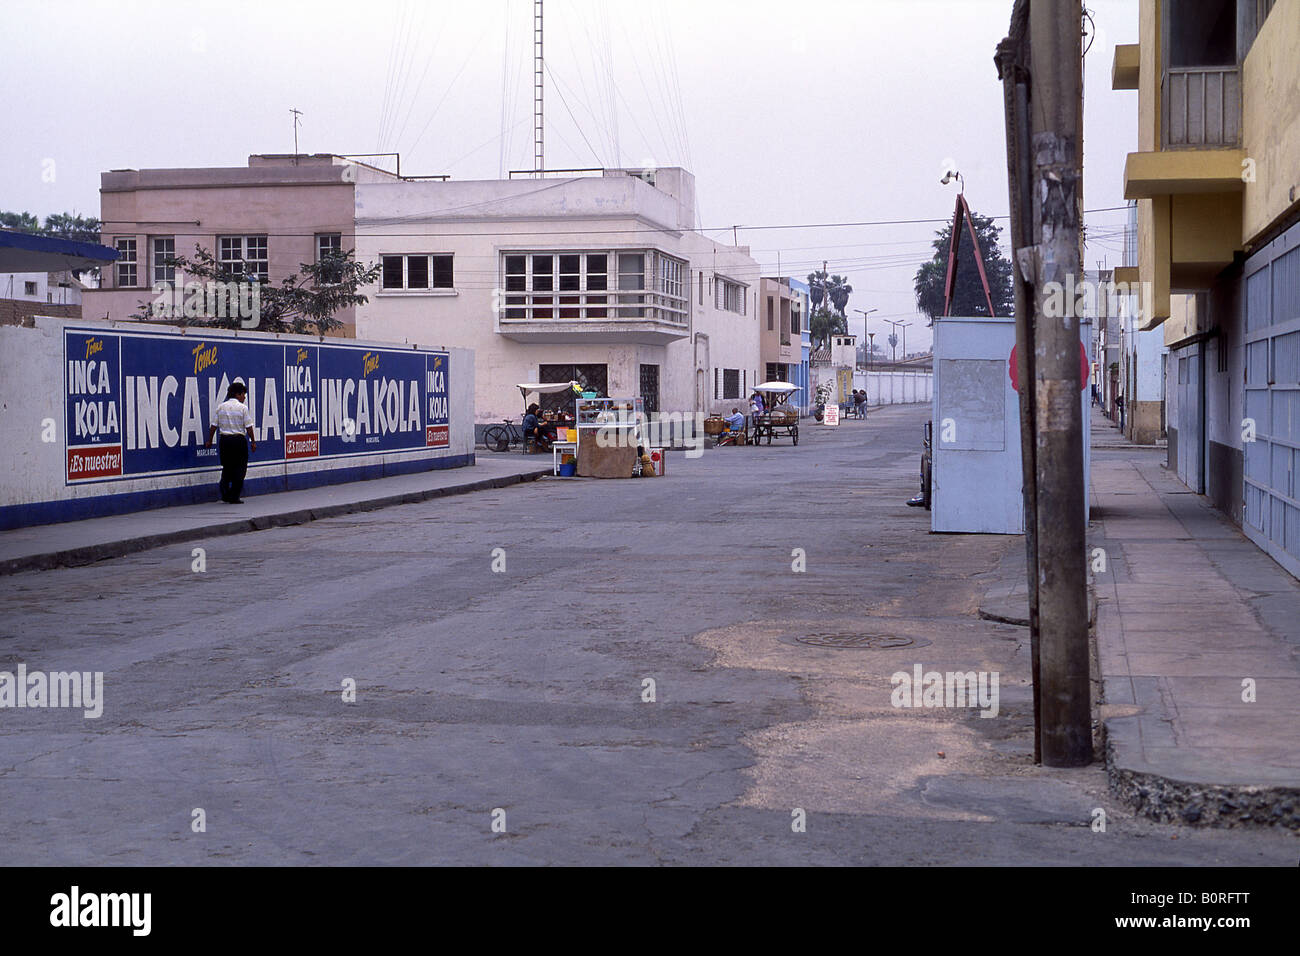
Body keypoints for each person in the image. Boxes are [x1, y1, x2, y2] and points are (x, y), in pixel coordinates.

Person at [204, 380, 257, 504]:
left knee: (227, 467)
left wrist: (210, 441)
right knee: (240, 468)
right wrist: (253, 441)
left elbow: (213, 426)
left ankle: (225, 492)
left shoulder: (221, 407)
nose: (244, 397)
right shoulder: (243, 408)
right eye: (243, 394)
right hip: (239, 441)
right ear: (238, 394)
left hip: (225, 441)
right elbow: (249, 427)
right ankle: (234, 496)